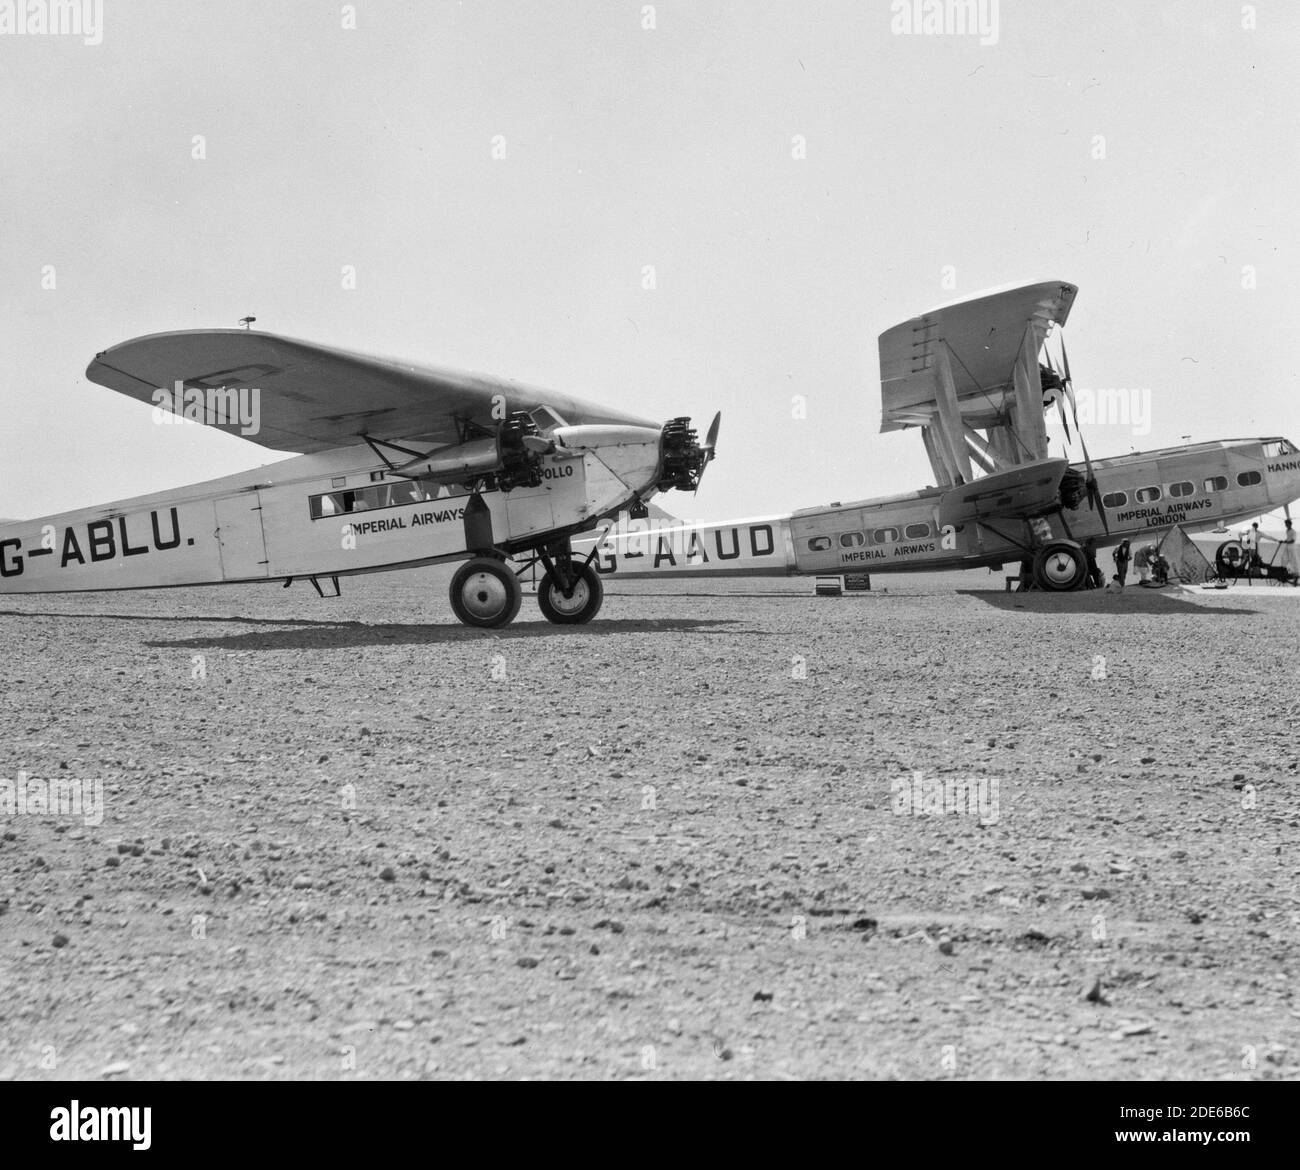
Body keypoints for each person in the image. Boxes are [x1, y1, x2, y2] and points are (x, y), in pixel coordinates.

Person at [1280, 519, 1300, 584]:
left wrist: (1286, 541)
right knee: (1283, 557)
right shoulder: (1287, 531)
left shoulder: (1293, 531)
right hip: (1288, 546)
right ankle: (1284, 570)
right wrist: (1283, 541)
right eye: (1285, 524)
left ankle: (1296, 574)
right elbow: (1288, 539)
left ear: (1290, 524)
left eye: (1287, 524)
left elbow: (1293, 540)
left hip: (1292, 547)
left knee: (1294, 560)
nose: (1286, 525)